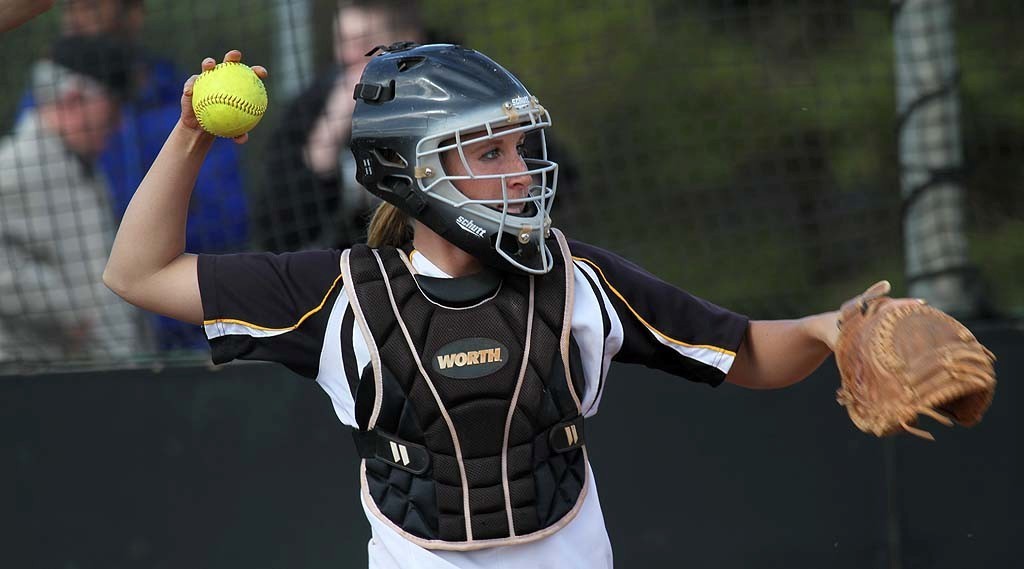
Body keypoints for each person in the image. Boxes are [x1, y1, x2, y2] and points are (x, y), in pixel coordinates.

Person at [105, 45, 870, 568]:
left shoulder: (578, 280)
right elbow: (139, 273)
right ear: (412, 167)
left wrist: (828, 329)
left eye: (519, 147)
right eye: (490, 151)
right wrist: (191, 135)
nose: (522, 171)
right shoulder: (339, 291)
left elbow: (746, 352)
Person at [17, 0, 249, 351]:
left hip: (188, 324)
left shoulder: (186, 98)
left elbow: (228, 221)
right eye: (69, 9)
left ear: (133, 14)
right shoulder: (44, 112)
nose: (75, 20)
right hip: (97, 340)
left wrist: (157, 237)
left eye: (91, 8)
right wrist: (71, 310)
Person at [0, 35, 146, 362]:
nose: (119, 122)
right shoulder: (14, 166)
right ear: (73, 98)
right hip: (29, 373)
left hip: (93, 373)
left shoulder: (82, 165)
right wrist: (72, 313)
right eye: (113, 106)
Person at [257, 0, 425, 252]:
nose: (347, 57)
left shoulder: (444, 91)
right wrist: (327, 135)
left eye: (363, 44)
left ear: (408, 39)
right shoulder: (312, 104)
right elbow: (276, 232)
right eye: (342, 41)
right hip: (345, 259)